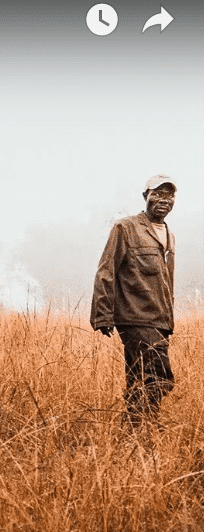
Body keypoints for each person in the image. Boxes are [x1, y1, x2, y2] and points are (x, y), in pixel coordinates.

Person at [91, 175, 177, 427]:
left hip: (159, 321)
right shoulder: (125, 228)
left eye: (169, 195)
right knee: (160, 378)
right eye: (157, 194)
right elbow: (106, 271)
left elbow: (167, 282)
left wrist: (168, 322)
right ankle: (140, 427)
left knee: (140, 378)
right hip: (134, 317)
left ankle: (136, 433)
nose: (164, 200)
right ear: (145, 196)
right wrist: (103, 315)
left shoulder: (170, 236)